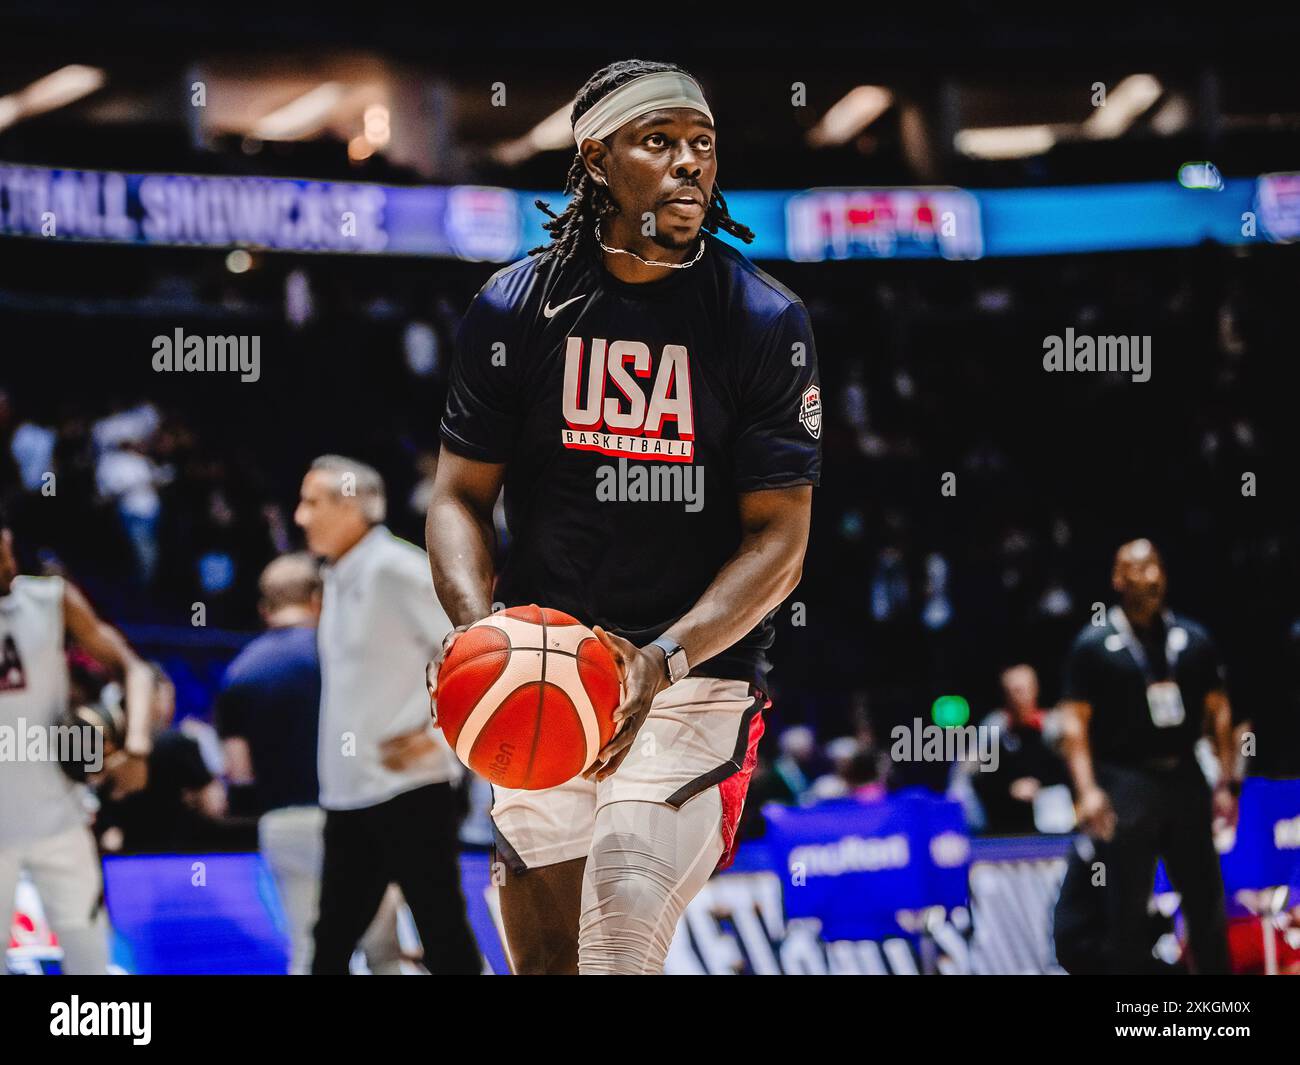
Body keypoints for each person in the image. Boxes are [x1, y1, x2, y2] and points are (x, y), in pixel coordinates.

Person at [427, 58, 820, 974]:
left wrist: (664, 654)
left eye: (703, 146)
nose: (690, 164)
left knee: (625, 912)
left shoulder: (763, 320)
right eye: (660, 143)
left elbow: (782, 541)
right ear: (597, 158)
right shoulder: (515, 307)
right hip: (546, 666)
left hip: (693, 676)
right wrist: (474, 628)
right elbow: (456, 496)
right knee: (551, 964)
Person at [294, 456, 479, 974]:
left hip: (409, 791)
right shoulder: (336, 576)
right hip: (349, 794)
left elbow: (474, 653)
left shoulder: (398, 569)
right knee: (331, 939)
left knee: (441, 932)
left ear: (352, 506)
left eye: (312, 502)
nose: (299, 517)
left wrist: (441, 741)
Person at [215, 552, 408, 974]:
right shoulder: (348, 657)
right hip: (355, 818)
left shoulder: (238, 672)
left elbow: (240, 773)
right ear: (320, 599)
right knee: (383, 952)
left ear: (264, 608)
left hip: (283, 826)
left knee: (308, 949)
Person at [1053, 539, 1236, 974]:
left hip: (1185, 775)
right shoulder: (1093, 645)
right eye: (1136, 568)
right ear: (1117, 579)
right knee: (1127, 908)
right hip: (1124, 779)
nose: (1148, 576)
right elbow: (1074, 725)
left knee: (1206, 901)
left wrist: (1227, 781)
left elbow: (1219, 710)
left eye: (1154, 566)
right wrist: (1088, 790)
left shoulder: (1192, 640)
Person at [0, 506, 155, 974]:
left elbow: (136, 669)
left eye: (5, 541)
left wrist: (138, 747)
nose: (7, 556)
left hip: (61, 818)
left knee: (89, 963)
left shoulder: (50, 599)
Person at [969, 664, 1068, 834]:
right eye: (1011, 691)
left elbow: (1068, 775)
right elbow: (979, 780)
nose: (1017, 697)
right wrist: (1009, 788)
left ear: (1035, 690)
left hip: (1053, 826)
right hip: (1004, 828)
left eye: (1021, 690)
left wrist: (1041, 787)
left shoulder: (1053, 728)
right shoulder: (993, 729)